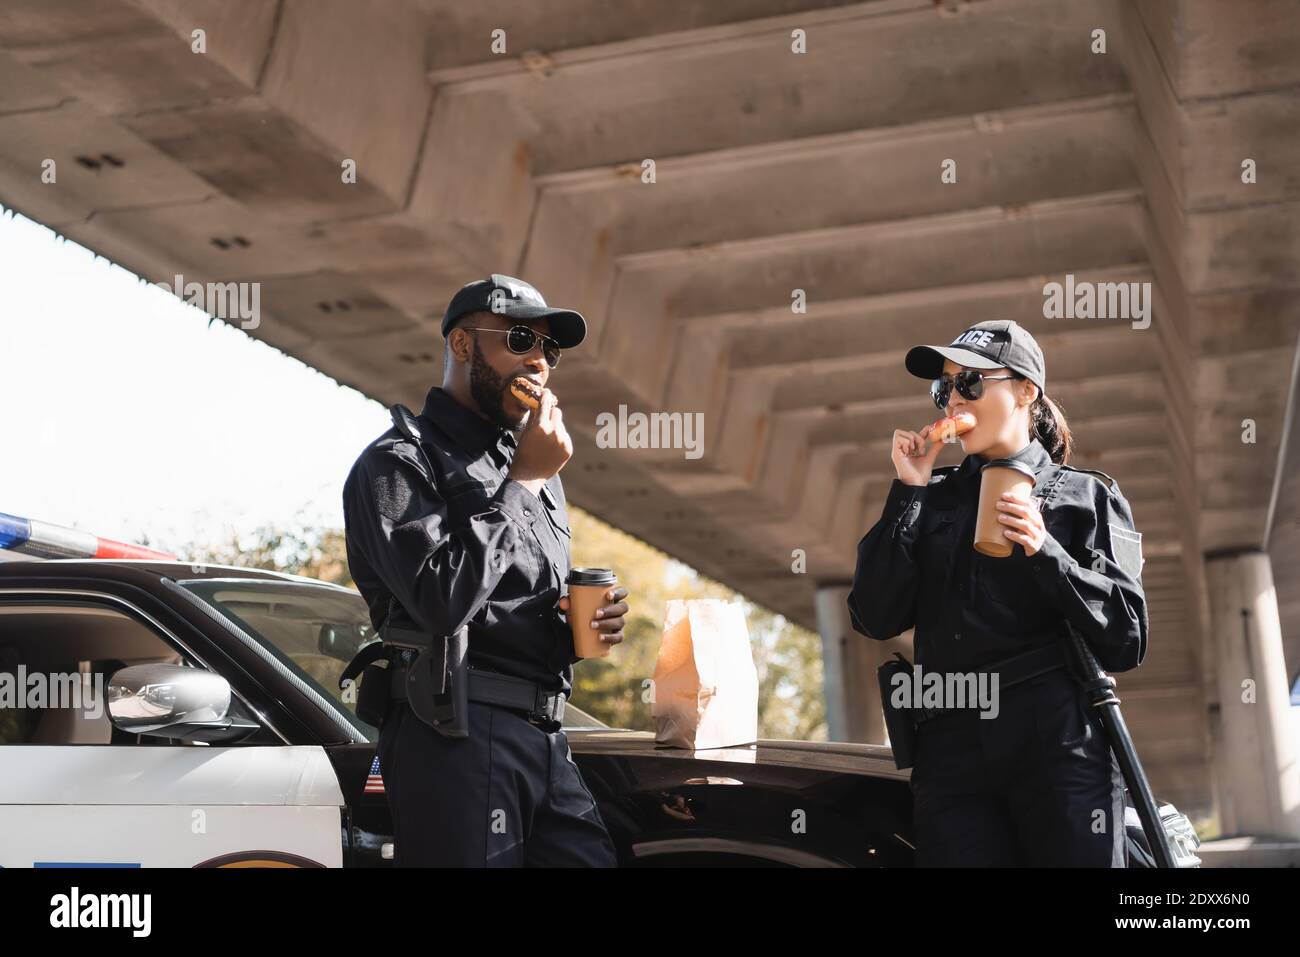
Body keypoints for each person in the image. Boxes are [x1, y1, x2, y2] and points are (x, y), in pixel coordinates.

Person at [342, 274, 629, 867]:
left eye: (550, 350)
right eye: (521, 339)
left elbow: (501, 610)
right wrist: (522, 482)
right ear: (464, 343)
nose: (539, 362)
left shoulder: (536, 471)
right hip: (455, 735)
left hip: (546, 736)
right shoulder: (398, 462)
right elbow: (442, 599)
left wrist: (573, 626)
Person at [848, 319, 1148, 867]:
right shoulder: (929, 499)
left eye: (970, 384)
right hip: (951, 746)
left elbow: (1126, 639)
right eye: (944, 389)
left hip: (1058, 743)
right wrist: (908, 491)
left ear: (1026, 391)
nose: (951, 401)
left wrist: (1046, 551)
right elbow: (872, 614)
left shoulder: (1087, 496)